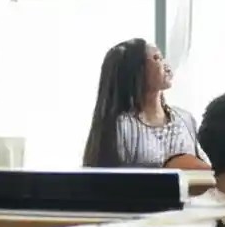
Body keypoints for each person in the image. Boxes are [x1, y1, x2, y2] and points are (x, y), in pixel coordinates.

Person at [82, 37, 204, 168]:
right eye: (156, 59)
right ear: (136, 70)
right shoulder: (121, 126)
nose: (167, 67)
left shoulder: (185, 120)